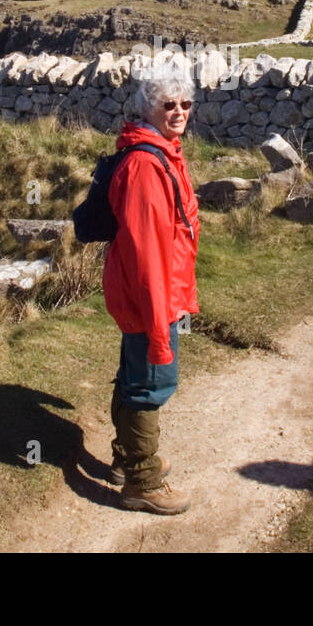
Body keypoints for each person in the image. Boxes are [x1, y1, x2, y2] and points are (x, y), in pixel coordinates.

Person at [102, 66, 201, 514]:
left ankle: (125, 461)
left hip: (156, 292)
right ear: (149, 109)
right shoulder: (146, 164)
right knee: (149, 383)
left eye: (185, 104)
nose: (179, 111)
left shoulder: (162, 151)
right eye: (169, 104)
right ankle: (142, 482)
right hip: (151, 295)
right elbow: (147, 251)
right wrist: (159, 318)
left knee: (133, 375)